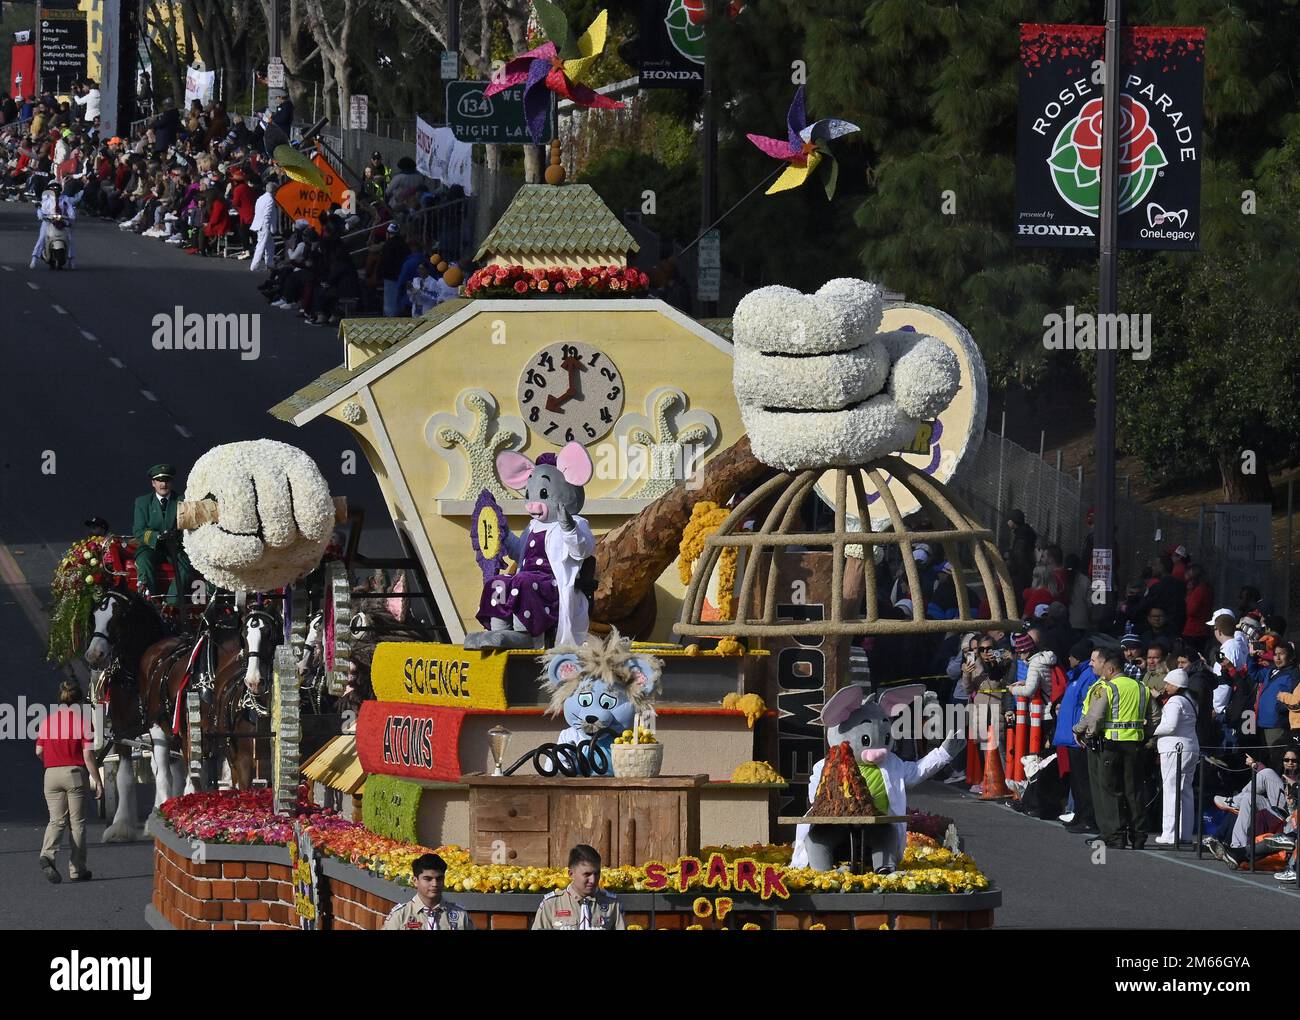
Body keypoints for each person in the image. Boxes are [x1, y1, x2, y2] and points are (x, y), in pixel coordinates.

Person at [1074, 646, 1158, 849]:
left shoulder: (1108, 688)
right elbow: (1155, 717)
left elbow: (1096, 716)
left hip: (1110, 746)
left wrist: (1081, 731)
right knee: (1134, 791)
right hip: (1135, 746)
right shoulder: (1141, 688)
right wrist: (1145, 736)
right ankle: (1139, 836)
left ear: (1111, 669)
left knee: (1111, 791)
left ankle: (1115, 835)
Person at [36, 680, 103, 883]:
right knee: (77, 823)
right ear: (80, 701)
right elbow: (88, 757)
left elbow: (38, 751)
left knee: (56, 820)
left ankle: (47, 854)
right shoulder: (83, 723)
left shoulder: (47, 721)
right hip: (74, 774)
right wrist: (97, 781)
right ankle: (77, 869)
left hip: (51, 774)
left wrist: (52, 762)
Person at [1203, 749, 1287, 870]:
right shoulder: (1284, 773)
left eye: (1293, 760)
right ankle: (1237, 849)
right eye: (1286, 760)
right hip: (1273, 809)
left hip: (1288, 815)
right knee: (1247, 798)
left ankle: (1233, 803)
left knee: (1267, 772)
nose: (1290, 763)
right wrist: (1255, 765)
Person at [132, 463, 195, 603]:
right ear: (153, 483)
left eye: (167, 480)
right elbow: (138, 530)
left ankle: (171, 604)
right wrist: (157, 537)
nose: (163, 484)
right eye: (160, 481)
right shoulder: (142, 502)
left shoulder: (182, 500)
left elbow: (191, 526)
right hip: (152, 547)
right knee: (143, 560)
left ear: (171, 482)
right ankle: (150, 602)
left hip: (176, 547)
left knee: (187, 566)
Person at [1055, 639, 1099, 834]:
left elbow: (1088, 707)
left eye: (1072, 656)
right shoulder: (1078, 675)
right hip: (1071, 735)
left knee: (1084, 781)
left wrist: (1081, 731)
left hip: (1078, 737)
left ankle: (1088, 818)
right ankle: (1080, 814)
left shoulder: (1088, 676)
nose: (1069, 658)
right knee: (1077, 780)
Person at [1152, 667, 1199, 844]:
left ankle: (1170, 834)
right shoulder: (1190, 700)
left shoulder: (1174, 701)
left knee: (1172, 791)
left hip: (1174, 749)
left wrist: (1150, 729)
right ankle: (1185, 834)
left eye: (1168, 683)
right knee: (1185, 791)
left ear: (1176, 685)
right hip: (1191, 747)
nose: (1165, 686)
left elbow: (1170, 726)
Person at [532, 844, 625, 930]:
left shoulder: (612, 904)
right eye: (587, 874)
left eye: (597, 874)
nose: (593, 880)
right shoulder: (551, 904)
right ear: (571, 874)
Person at [382, 853, 473, 929]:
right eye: (428, 879)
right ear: (415, 881)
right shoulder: (401, 916)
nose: (435, 884)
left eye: (439, 879)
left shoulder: (459, 916)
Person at [30, 180, 76, 269]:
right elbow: (41, 210)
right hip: (48, 222)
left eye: (56, 187)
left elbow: (71, 210)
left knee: (70, 238)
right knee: (42, 238)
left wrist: (71, 218)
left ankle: (71, 260)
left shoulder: (65, 199)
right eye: (52, 188)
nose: (54, 190)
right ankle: (34, 259)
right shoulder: (46, 199)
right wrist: (41, 216)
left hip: (62, 221)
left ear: (60, 189)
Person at [1004, 509, 1037, 599]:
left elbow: (1019, 556)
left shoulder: (1021, 536)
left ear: (1013, 521)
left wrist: (1009, 555)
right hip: (1027, 571)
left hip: (1021, 574)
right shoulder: (1026, 533)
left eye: (1009, 520)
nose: (1007, 522)